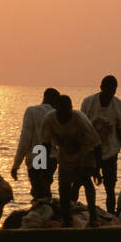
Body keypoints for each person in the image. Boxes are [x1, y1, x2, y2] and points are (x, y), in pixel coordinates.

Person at [40, 94, 103, 228]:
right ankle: (67, 219)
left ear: (71, 108)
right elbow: (44, 145)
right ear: (56, 109)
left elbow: (97, 144)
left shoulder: (80, 118)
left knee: (86, 180)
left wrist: (97, 169)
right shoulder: (49, 119)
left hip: (86, 150)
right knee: (63, 186)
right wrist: (43, 168)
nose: (64, 114)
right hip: (65, 154)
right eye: (61, 111)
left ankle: (93, 216)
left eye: (67, 110)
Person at [80, 75, 121, 214]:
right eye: (108, 89)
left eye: (113, 90)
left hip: (110, 151)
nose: (110, 93)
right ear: (101, 87)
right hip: (89, 150)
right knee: (82, 181)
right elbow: (81, 127)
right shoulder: (88, 102)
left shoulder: (118, 105)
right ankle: (85, 212)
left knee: (110, 186)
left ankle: (111, 214)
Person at [11, 88, 60, 200]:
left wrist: (16, 164)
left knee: (39, 190)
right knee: (45, 187)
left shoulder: (32, 111)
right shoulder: (57, 114)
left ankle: (43, 207)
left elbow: (25, 139)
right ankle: (47, 206)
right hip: (52, 157)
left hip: (39, 154)